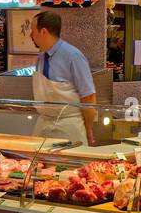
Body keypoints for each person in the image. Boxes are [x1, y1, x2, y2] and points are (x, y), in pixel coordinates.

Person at [28, 11, 96, 146]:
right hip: (43, 125)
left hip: (69, 127)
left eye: (32, 30)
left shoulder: (73, 56)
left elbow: (89, 98)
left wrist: (88, 129)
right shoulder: (41, 58)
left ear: (43, 32)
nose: (30, 35)